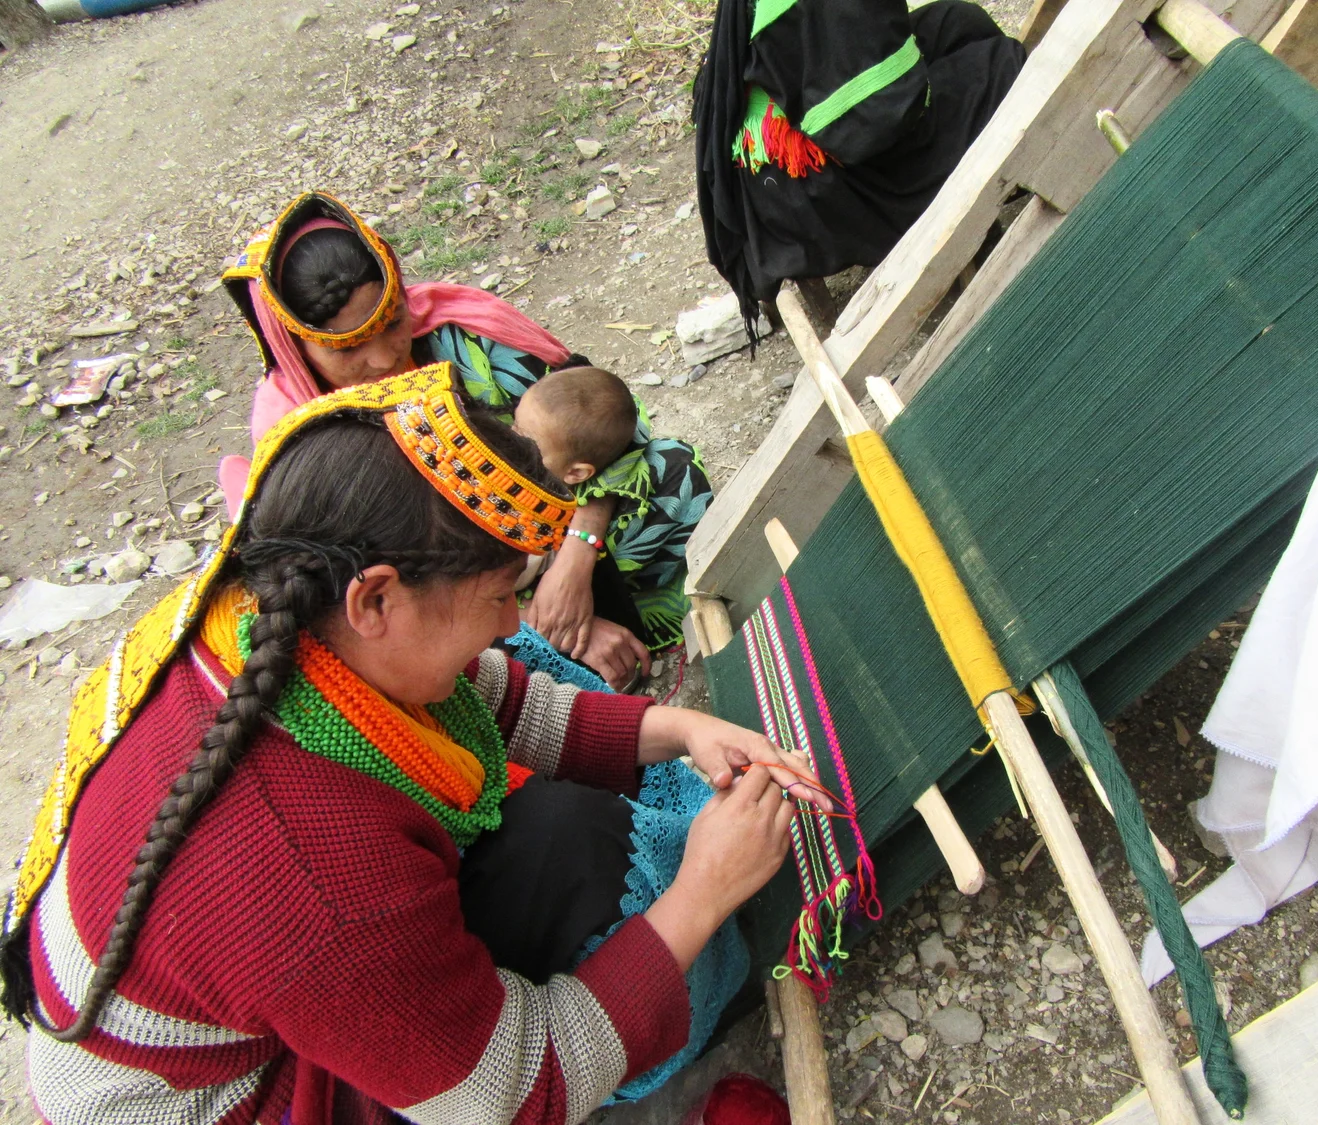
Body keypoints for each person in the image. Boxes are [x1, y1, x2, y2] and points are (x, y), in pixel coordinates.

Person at [7, 364, 820, 1123]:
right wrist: (705, 891)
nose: (512, 619)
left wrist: (679, 727)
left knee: (556, 824)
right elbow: (509, 1093)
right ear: (376, 600)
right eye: (501, 594)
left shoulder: (274, 608)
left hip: (203, 989)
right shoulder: (317, 875)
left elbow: (493, 696)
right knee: (573, 862)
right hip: (218, 1102)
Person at [217, 192, 709, 686]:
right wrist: (534, 624)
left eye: (391, 323)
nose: (385, 358)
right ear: (293, 345)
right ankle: (557, 657)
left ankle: (572, 657)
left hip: (563, 539)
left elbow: (598, 423)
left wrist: (578, 558)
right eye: (348, 348)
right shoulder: (299, 442)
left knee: (672, 472)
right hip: (457, 607)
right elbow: (366, 597)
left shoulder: (463, 338)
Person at [694, 0, 1028, 333]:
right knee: (1004, 67)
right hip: (796, 190)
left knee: (958, 23)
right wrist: (919, 89)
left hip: (785, 126)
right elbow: (870, 125)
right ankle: (969, 211)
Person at [511, 366, 713, 679]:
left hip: (548, 584)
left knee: (677, 464)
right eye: (513, 426)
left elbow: (629, 411)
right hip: (512, 607)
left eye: (524, 441)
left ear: (578, 474)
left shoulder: (543, 498)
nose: (509, 441)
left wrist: (578, 554)